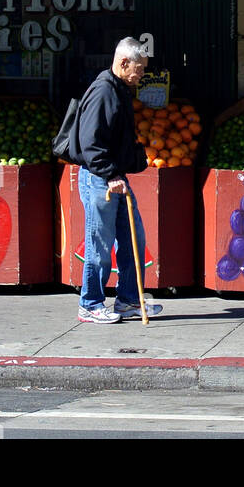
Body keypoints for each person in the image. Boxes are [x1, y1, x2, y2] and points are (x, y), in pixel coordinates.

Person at [74, 37, 162, 324]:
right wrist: (110, 174)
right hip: (101, 178)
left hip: (115, 177)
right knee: (99, 242)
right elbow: (91, 142)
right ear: (124, 63)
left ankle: (127, 299)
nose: (142, 74)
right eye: (140, 68)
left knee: (133, 236)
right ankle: (90, 303)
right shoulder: (103, 91)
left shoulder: (120, 90)